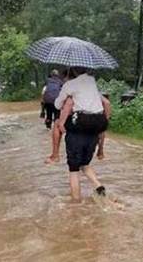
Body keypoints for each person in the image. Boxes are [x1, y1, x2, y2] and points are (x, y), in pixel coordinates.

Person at [54, 67, 109, 201]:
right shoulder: (91, 81)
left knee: (74, 169)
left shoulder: (70, 84)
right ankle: (98, 186)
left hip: (79, 127)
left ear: (71, 71)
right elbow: (106, 103)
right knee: (84, 164)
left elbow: (57, 105)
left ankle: (76, 204)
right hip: (96, 127)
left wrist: (67, 95)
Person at [45, 71, 110, 164]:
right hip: (97, 120)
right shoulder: (91, 84)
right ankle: (100, 152)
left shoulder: (70, 86)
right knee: (101, 128)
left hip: (80, 119)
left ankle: (55, 155)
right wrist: (106, 119)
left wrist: (62, 122)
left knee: (56, 123)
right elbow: (107, 103)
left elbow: (61, 105)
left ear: (67, 77)